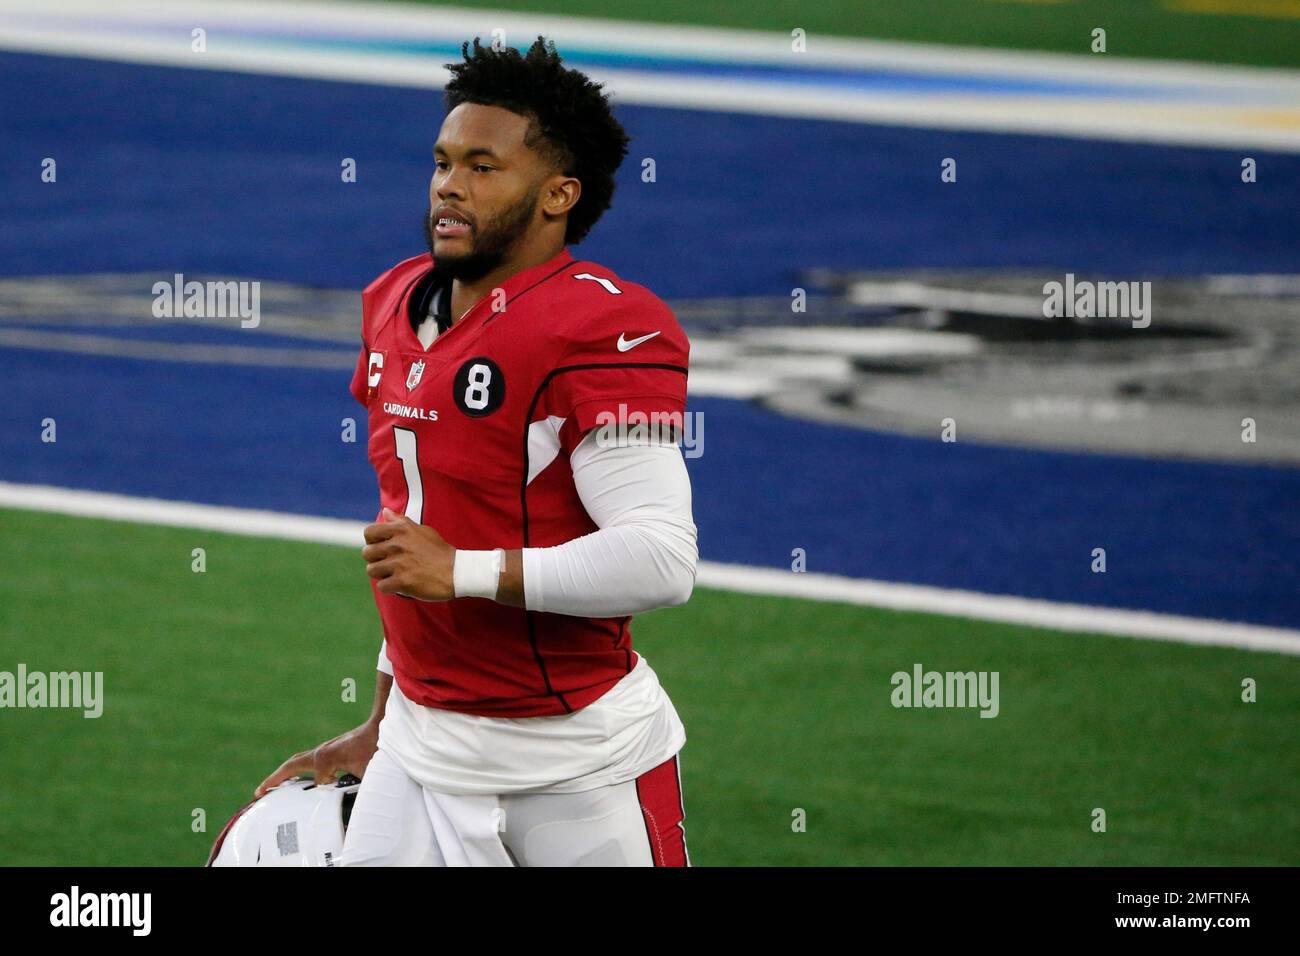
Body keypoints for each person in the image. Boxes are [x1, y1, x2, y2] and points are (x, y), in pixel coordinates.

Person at [255, 36, 697, 866]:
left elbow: (663, 560)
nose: (449, 184)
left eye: (484, 167)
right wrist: (384, 722)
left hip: (577, 765)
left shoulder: (601, 327)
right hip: (420, 753)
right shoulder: (394, 301)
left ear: (559, 194)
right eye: (443, 160)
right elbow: (412, 527)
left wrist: (462, 571)